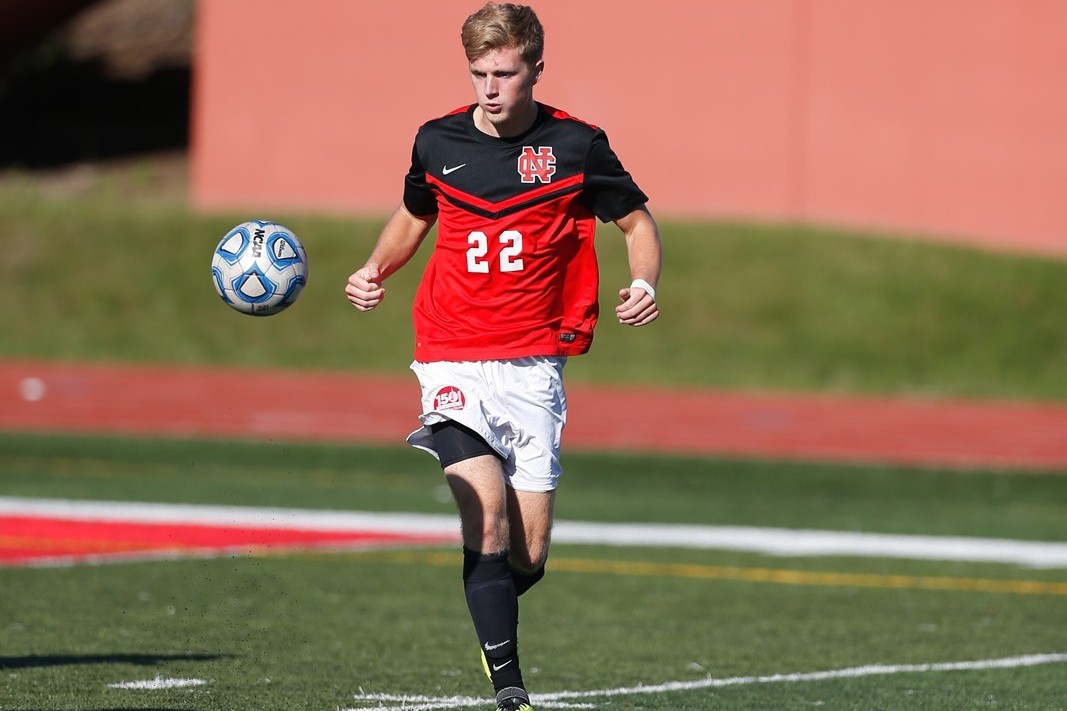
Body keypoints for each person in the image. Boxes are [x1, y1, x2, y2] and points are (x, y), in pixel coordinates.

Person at [344, 4, 661, 710]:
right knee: (482, 512)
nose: (490, 87)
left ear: (534, 69)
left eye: (504, 73)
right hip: (450, 355)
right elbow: (415, 213)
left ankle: (487, 598)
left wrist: (642, 281)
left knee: (526, 555)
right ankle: (510, 687)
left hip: (533, 368)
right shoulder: (436, 140)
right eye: (479, 73)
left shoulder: (576, 146)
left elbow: (637, 221)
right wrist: (375, 269)